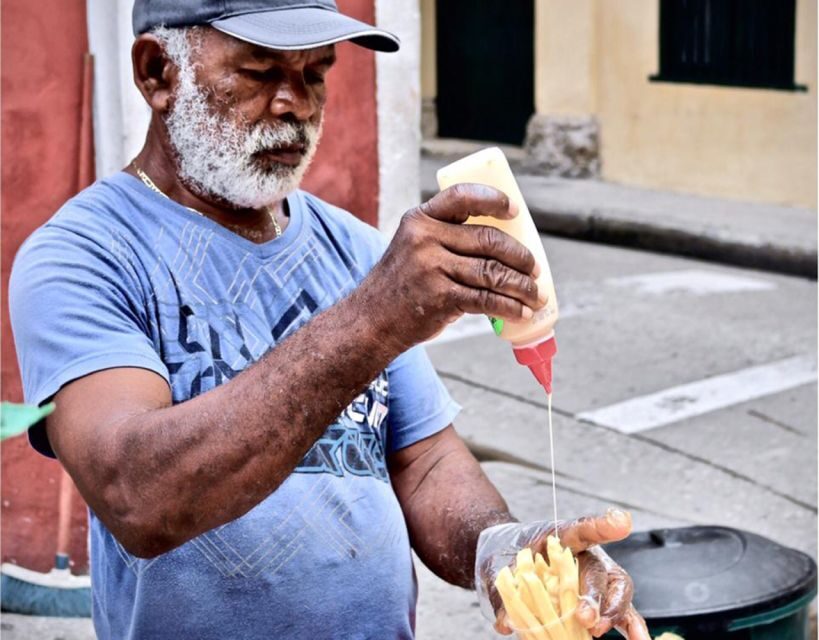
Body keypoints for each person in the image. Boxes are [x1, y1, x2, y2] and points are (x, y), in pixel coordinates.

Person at [9, 1, 650, 639]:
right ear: (157, 73)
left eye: (315, 74)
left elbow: (423, 461)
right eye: (260, 72)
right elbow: (138, 496)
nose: (298, 105)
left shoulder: (355, 248)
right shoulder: (82, 255)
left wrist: (502, 553)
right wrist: (375, 319)